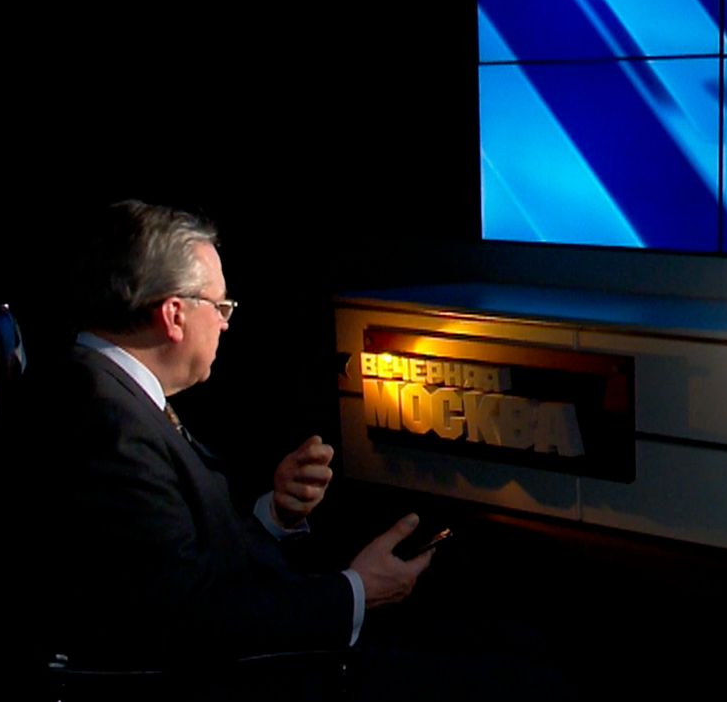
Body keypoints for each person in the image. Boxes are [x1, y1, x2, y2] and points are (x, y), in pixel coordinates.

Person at [23, 200, 432, 666]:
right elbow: (190, 619)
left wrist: (274, 516)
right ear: (174, 315)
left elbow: (182, 561)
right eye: (219, 306)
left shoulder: (104, 390)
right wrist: (356, 593)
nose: (224, 323)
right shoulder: (106, 424)